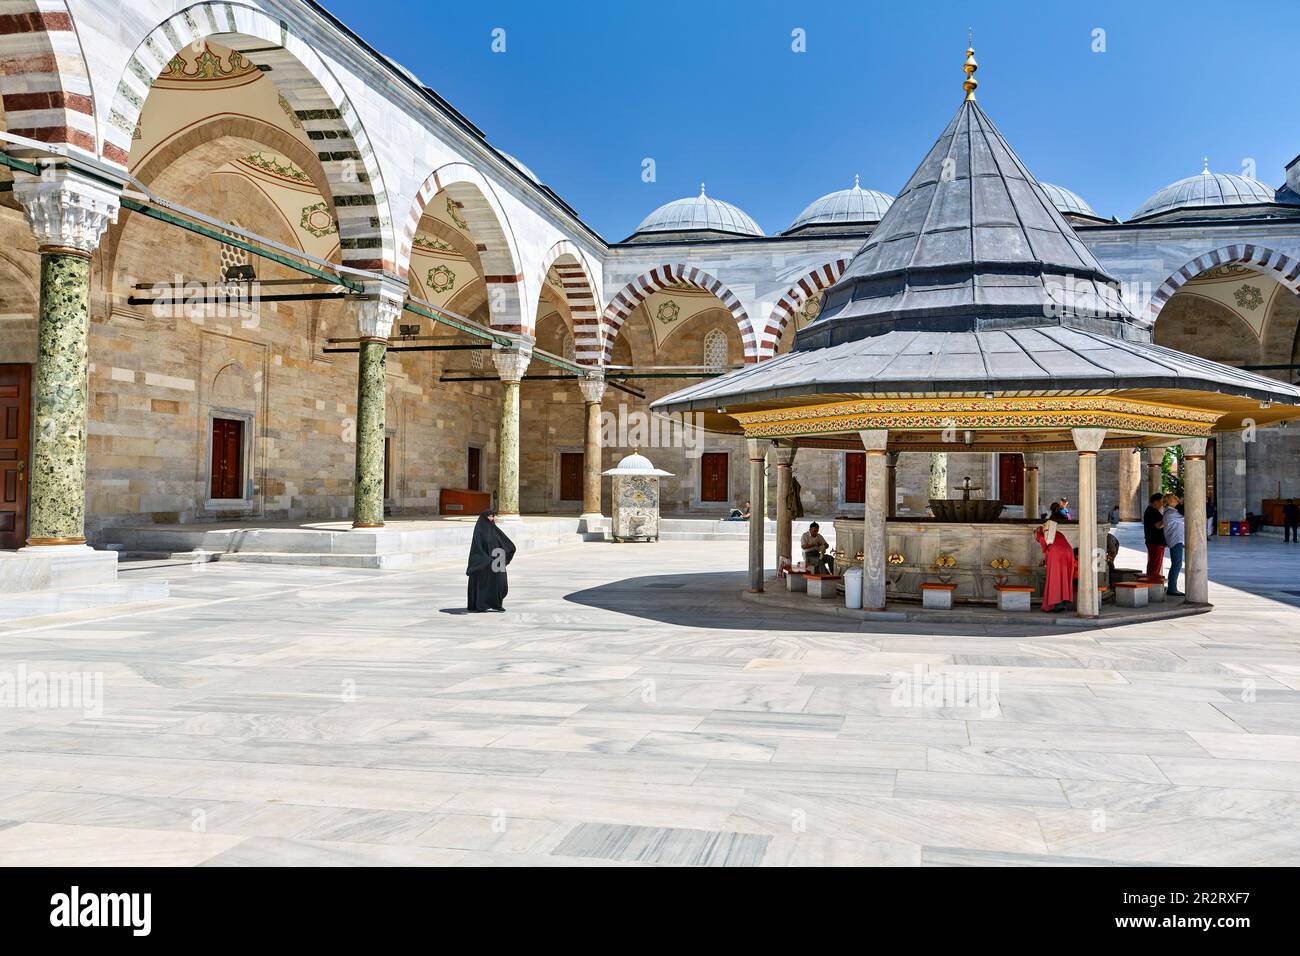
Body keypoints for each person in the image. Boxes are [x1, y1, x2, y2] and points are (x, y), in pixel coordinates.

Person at [466, 509, 515, 612]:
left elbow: (506, 544)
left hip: (496, 563)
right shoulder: (479, 531)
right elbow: (477, 548)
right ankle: (481, 605)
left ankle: (497, 604)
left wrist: (504, 556)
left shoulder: (495, 530)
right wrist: (486, 560)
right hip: (484, 563)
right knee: (484, 584)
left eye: (493, 516)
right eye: (489, 516)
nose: (491, 518)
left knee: (499, 583)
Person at [1035, 515, 1075, 613]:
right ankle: (1062, 602)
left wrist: (1045, 561)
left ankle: (1054, 604)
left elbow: (1046, 548)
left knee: (1054, 579)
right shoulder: (1057, 533)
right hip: (1069, 554)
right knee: (1064, 578)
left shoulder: (1041, 535)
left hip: (1056, 555)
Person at [1163, 494, 1186, 596]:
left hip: (1177, 539)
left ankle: (1173, 587)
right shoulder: (1170, 512)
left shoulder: (1172, 511)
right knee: (1177, 564)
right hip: (1175, 540)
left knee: (1176, 563)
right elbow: (1187, 518)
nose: (1177, 500)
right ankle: (1172, 588)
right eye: (1174, 499)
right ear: (1169, 501)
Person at [1142, 492, 1166, 578]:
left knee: (1155, 563)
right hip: (1155, 541)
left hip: (1156, 541)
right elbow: (1158, 525)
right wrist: (1167, 518)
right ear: (1155, 502)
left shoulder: (1152, 511)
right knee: (1155, 564)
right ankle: (1152, 581)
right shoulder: (1151, 512)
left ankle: (1152, 579)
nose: (1162, 504)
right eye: (1161, 502)